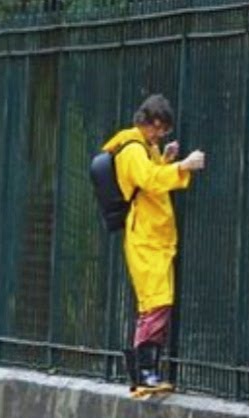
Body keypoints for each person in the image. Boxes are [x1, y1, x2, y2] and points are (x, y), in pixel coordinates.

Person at [101, 94, 206, 391]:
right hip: (145, 237)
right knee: (155, 302)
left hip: (153, 236)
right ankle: (144, 372)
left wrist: (166, 160)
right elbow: (149, 181)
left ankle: (145, 373)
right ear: (154, 123)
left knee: (156, 303)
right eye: (162, 130)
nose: (161, 136)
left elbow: (149, 180)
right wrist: (183, 165)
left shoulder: (144, 147)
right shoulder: (133, 149)